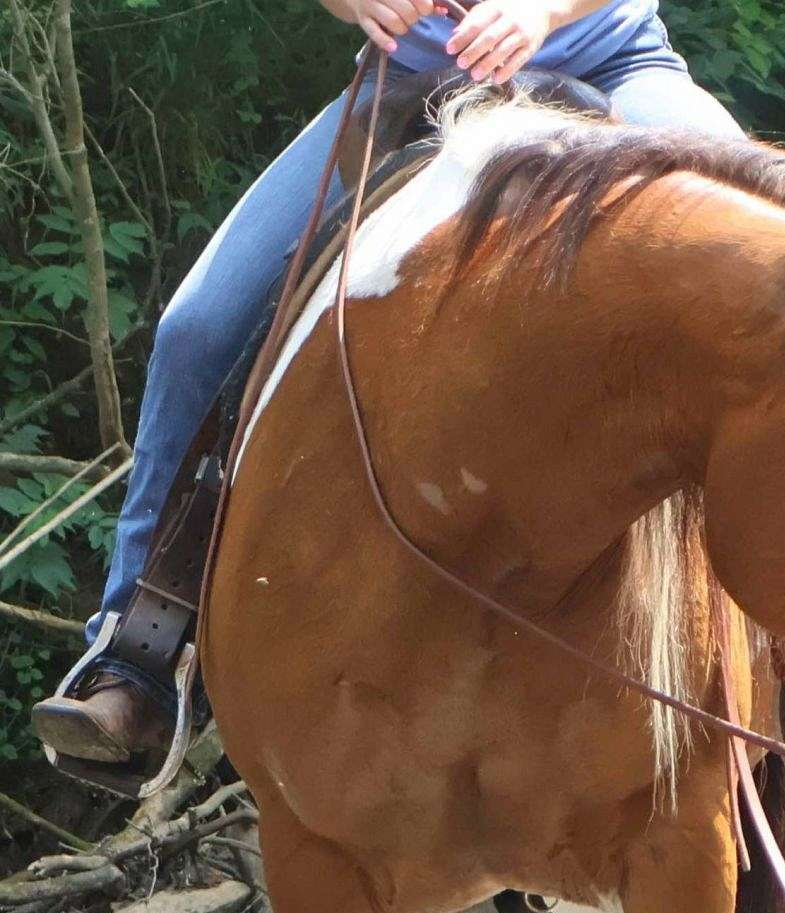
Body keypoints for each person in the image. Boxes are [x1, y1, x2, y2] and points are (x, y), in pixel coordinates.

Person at [32, 0, 743, 771]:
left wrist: (541, 11)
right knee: (197, 331)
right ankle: (144, 646)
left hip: (611, 69)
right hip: (409, 92)